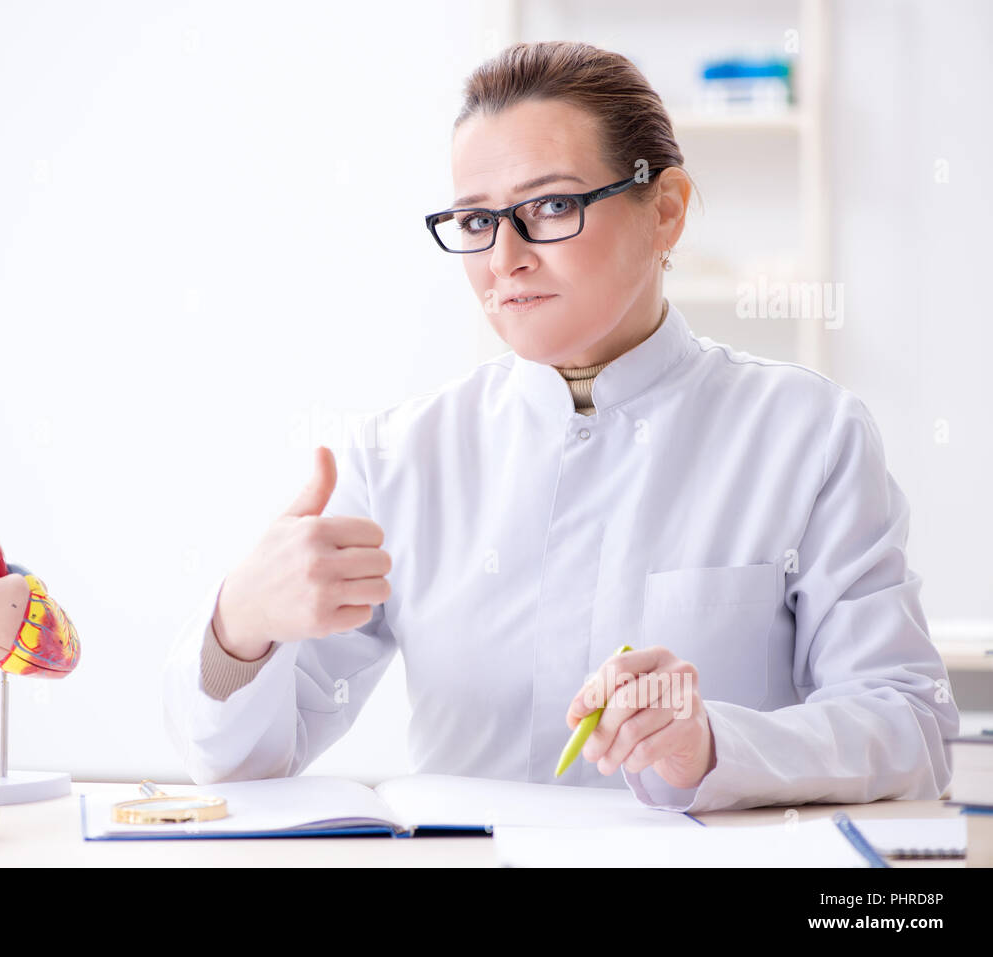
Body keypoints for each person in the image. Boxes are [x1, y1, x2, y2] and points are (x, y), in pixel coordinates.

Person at [162, 40, 959, 813]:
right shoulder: (402, 457)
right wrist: (241, 626)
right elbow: (242, 768)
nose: (504, 257)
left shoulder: (805, 434)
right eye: (475, 221)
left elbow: (909, 724)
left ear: (666, 211)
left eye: (550, 206)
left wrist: (713, 744)